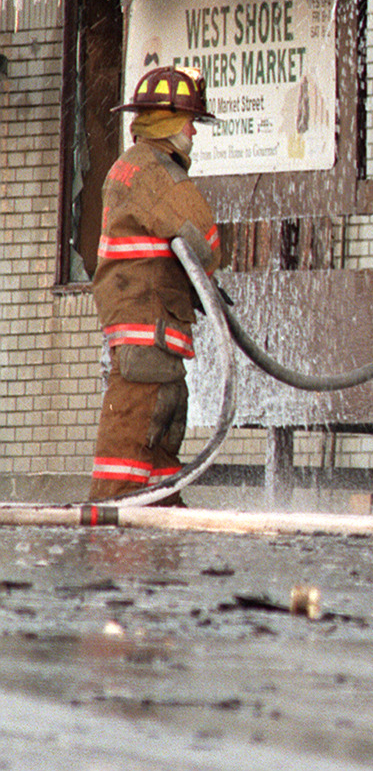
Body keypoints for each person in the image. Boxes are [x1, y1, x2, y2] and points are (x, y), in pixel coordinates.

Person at [89, 65, 224, 503]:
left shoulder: (129, 167)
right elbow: (206, 244)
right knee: (122, 474)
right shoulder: (158, 173)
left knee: (161, 476)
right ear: (167, 121)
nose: (194, 133)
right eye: (190, 122)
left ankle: (163, 566)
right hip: (150, 344)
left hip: (153, 347)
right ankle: (104, 564)